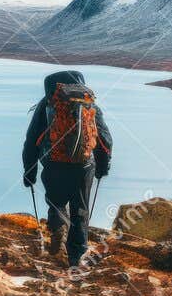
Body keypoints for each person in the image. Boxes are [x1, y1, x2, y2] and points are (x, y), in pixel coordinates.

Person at [22, 70, 113, 268]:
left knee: (56, 201)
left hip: (54, 164)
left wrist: (30, 172)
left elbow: (32, 141)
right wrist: (103, 167)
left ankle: (59, 226)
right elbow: (105, 140)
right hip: (85, 166)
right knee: (80, 209)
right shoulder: (89, 104)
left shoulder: (47, 105)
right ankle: (77, 256)